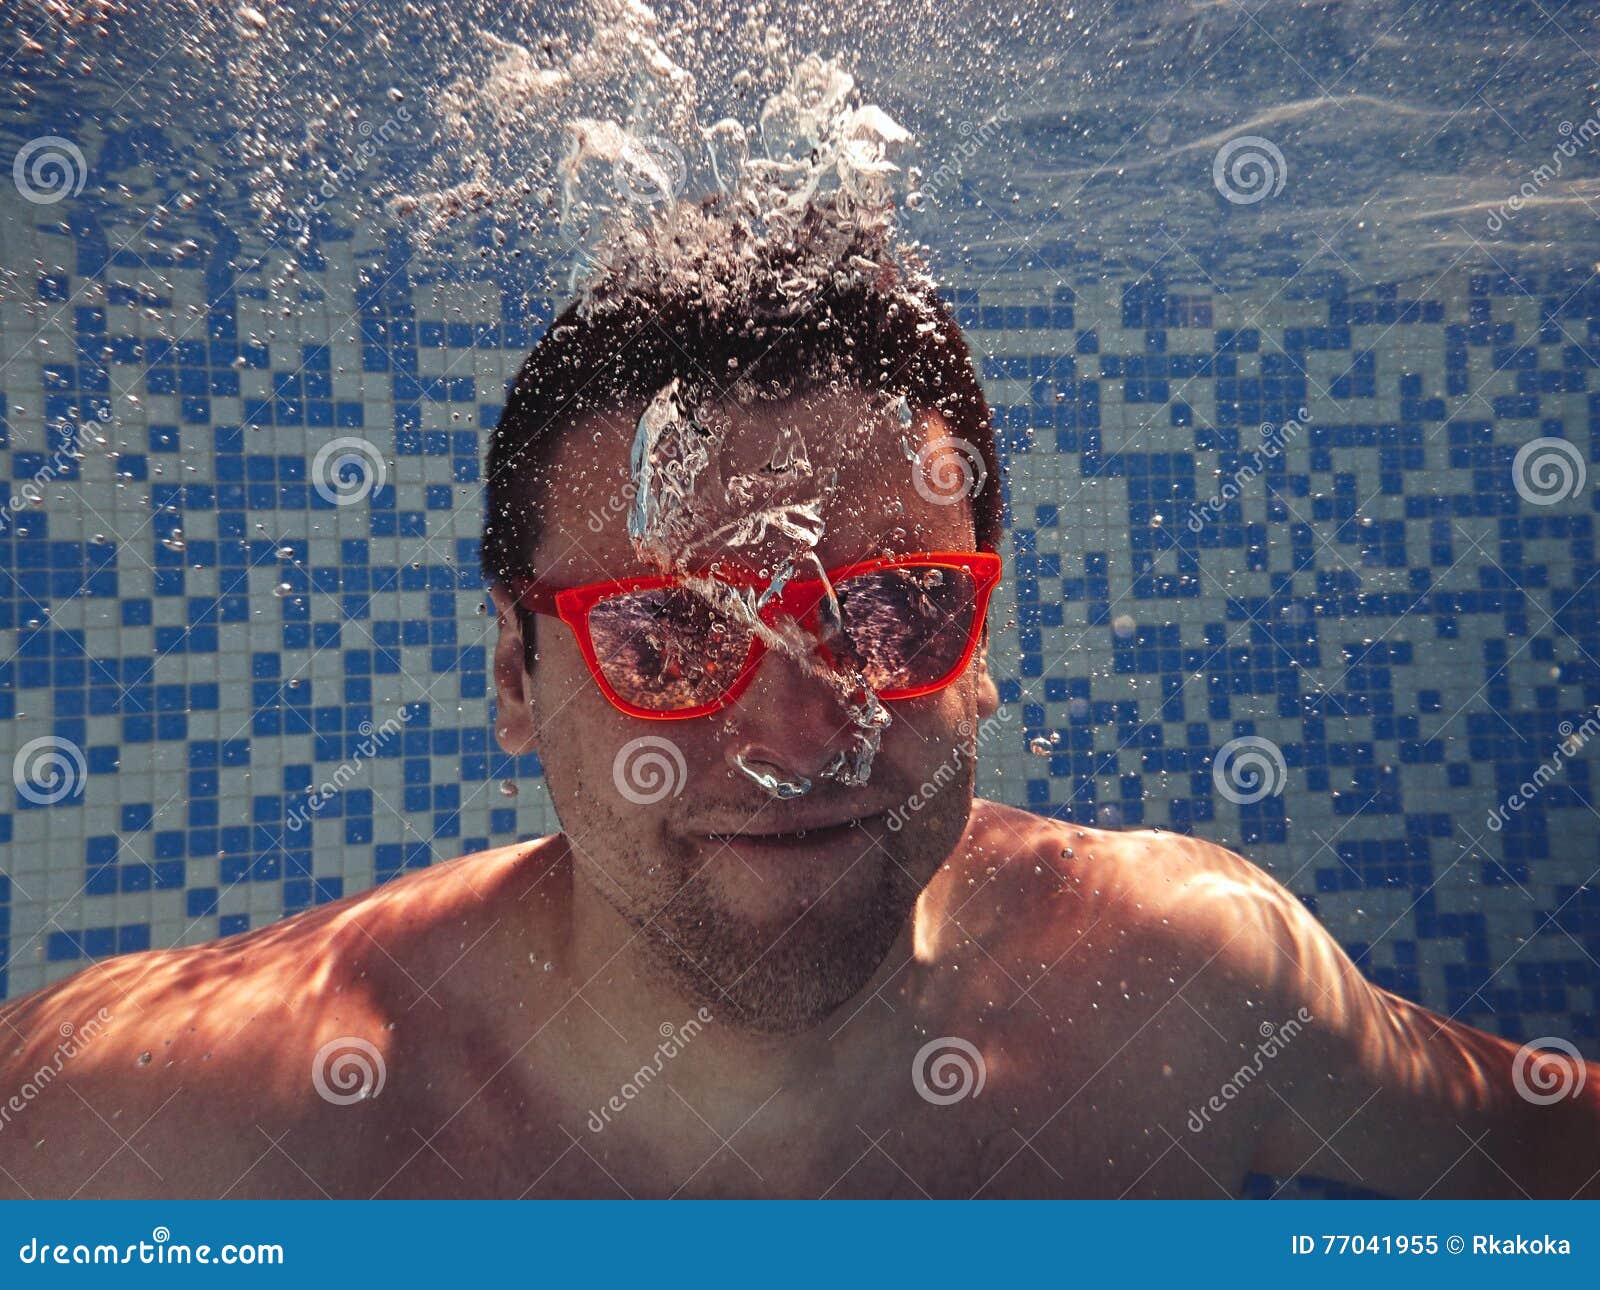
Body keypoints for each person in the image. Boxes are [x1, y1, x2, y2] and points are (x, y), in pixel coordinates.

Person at [1, 201, 1595, 1201]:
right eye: (674, 636)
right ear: (513, 670)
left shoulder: (1185, 995)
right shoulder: (194, 1124)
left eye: (895, 607)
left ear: (977, 638)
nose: (796, 733)